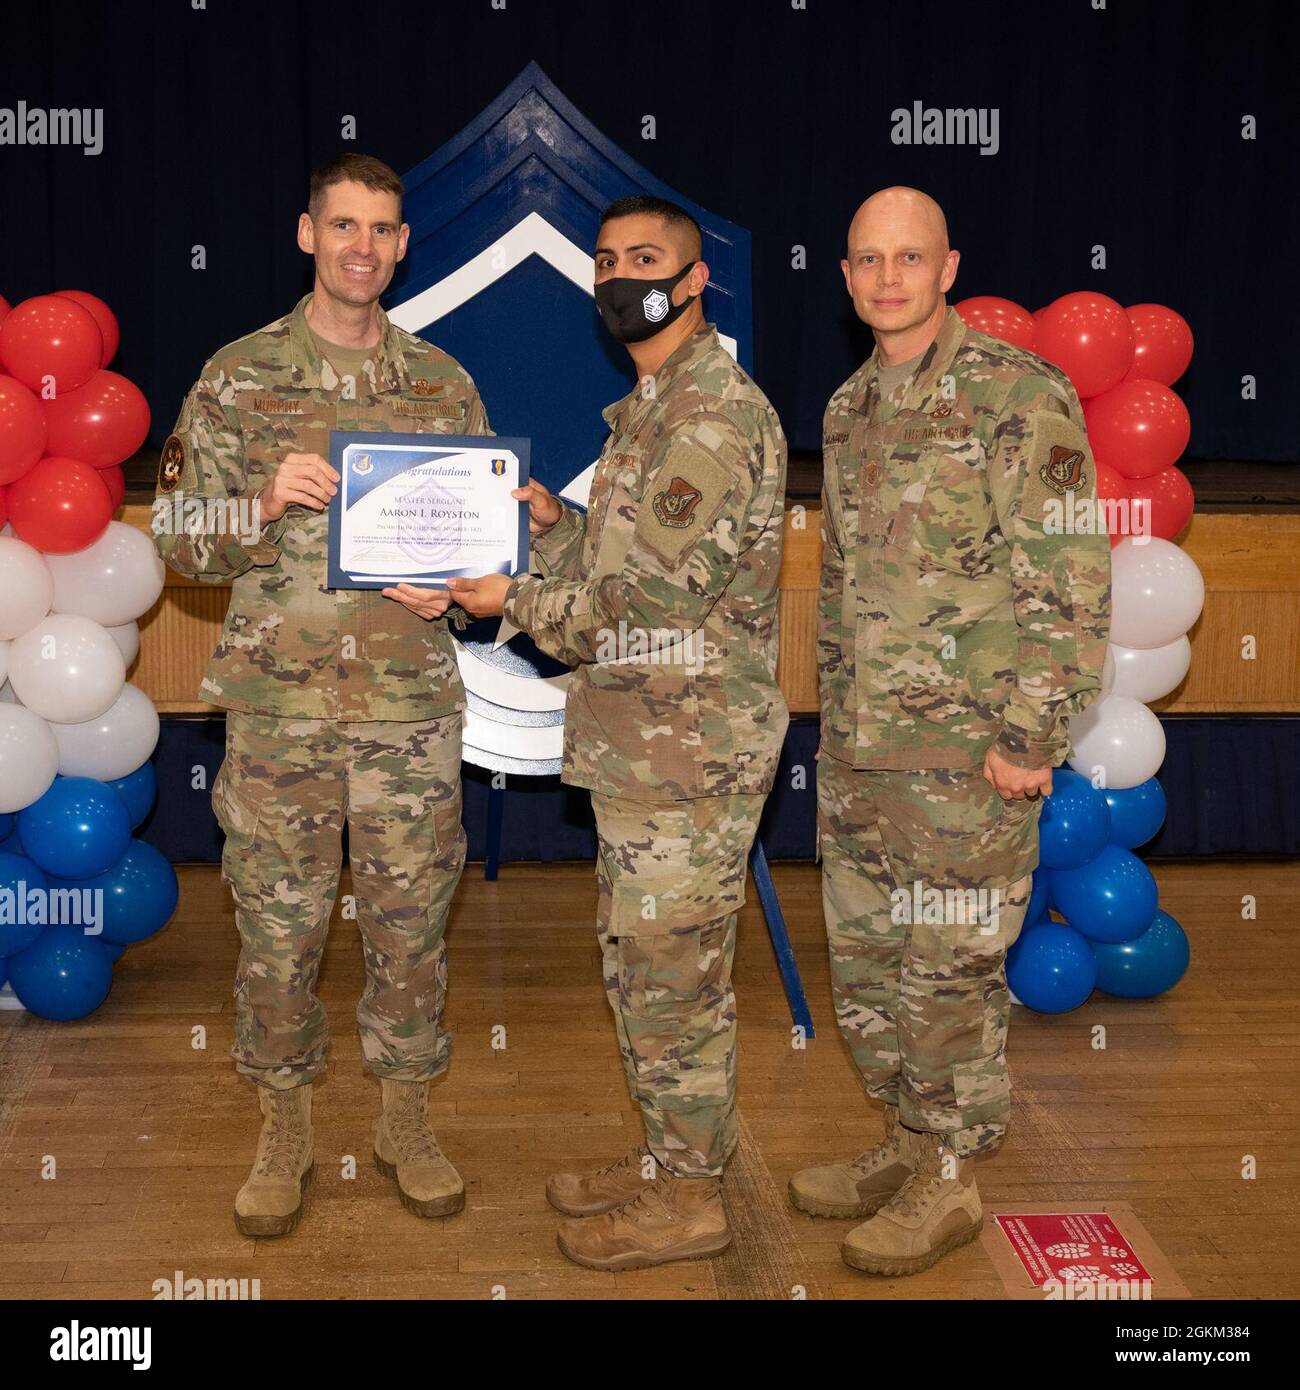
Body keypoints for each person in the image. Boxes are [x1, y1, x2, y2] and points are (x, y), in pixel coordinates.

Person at [153, 153, 491, 1237]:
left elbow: (481, 557)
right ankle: (284, 1124)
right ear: (308, 234)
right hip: (279, 717)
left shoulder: (442, 385)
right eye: (342, 225)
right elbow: (174, 542)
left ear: (400, 245)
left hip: (407, 718)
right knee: (280, 930)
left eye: (381, 229)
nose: (361, 246)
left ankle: (403, 1118)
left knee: (409, 926)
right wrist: (254, 503)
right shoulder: (236, 376)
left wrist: (459, 595)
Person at [448, 195, 788, 1270]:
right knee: (645, 969)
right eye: (604, 260)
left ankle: (690, 1196)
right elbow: (633, 565)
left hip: (686, 752)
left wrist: (507, 596)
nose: (616, 276)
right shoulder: (649, 408)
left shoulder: (708, 418)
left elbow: (642, 609)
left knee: (672, 979)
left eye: (643, 259)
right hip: (648, 744)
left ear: (694, 284)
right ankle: (667, 1156)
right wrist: (561, 530)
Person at [789, 186, 1110, 1275]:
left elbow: (1068, 578)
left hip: (970, 765)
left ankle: (949, 1182)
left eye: (909, 258)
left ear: (946, 267)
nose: (887, 278)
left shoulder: (1017, 393)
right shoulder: (846, 407)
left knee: (947, 984)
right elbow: (844, 592)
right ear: (844, 276)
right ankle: (903, 1138)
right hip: (865, 755)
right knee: (871, 974)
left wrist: (1031, 736)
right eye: (868, 259)